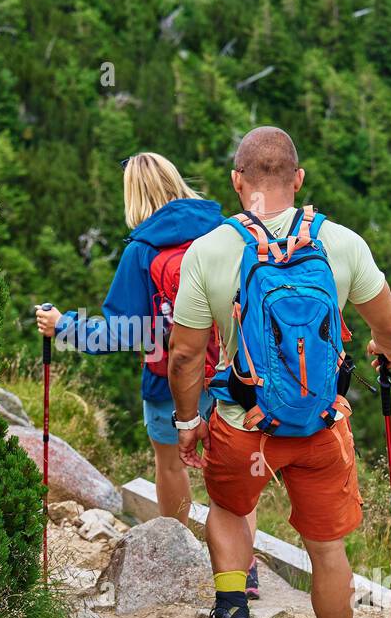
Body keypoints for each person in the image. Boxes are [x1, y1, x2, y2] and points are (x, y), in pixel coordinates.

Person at [167, 126, 391, 618]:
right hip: (322, 428)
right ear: (298, 180)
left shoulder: (209, 250)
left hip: (242, 426)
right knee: (327, 549)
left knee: (228, 511)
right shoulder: (343, 244)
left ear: (236, 182)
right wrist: (384, 351)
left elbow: (183, 354)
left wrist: (186, 423)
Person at [36, 154, 259, 593]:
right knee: (232, 472)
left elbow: (120, 331)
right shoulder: (226, 232)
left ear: (134, 195)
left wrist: (63, 325)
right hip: (234, 372)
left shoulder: (143, 249)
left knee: (171, 463)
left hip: (168, 381)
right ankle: (243, 568)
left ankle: (176, 554)